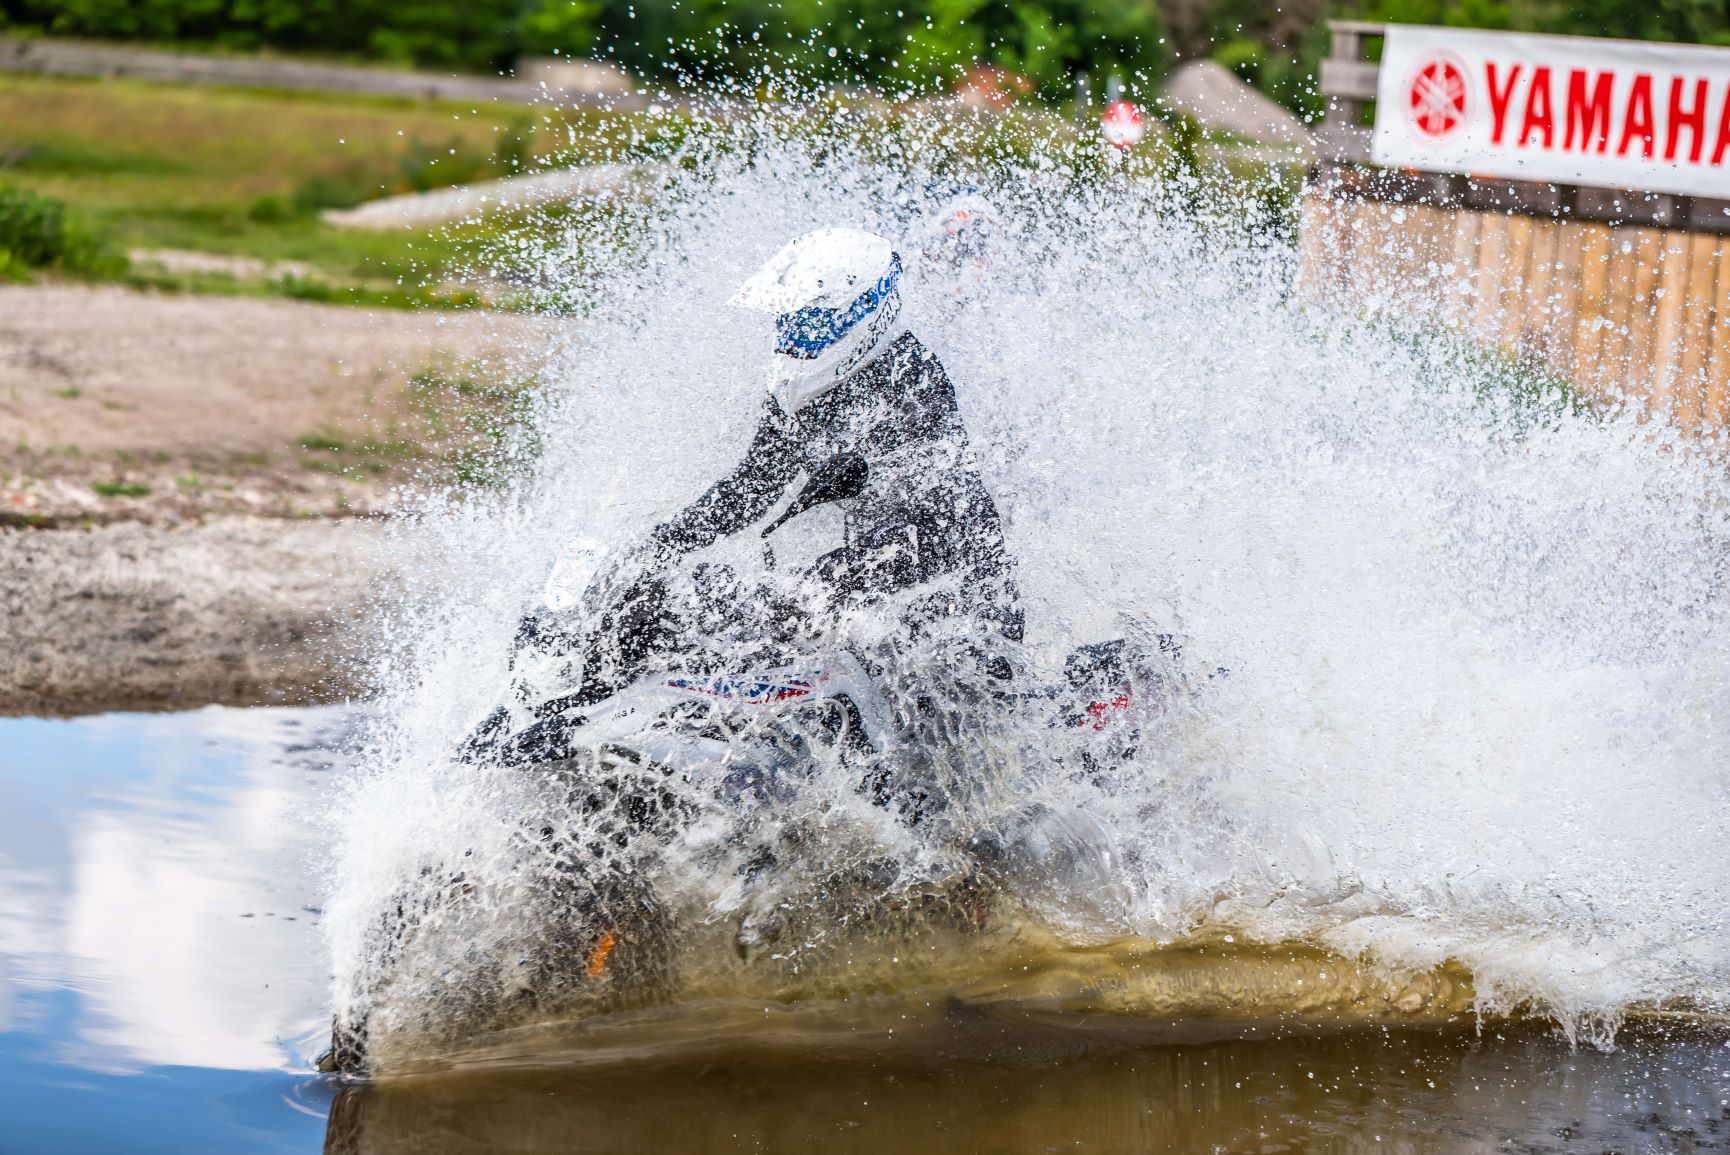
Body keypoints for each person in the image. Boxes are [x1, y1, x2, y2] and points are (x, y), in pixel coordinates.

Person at [568, 227, 1022, 702]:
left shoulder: (913, 383)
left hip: (959, 621)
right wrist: (661, 544)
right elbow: (752, 485)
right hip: (875, 594)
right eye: (792, 322)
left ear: (868, 313)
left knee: (783, 650)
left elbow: (928, 526)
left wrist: (802, 594)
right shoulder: (806, 389)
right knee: (685, 608)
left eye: (813, 324)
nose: (798, 338)